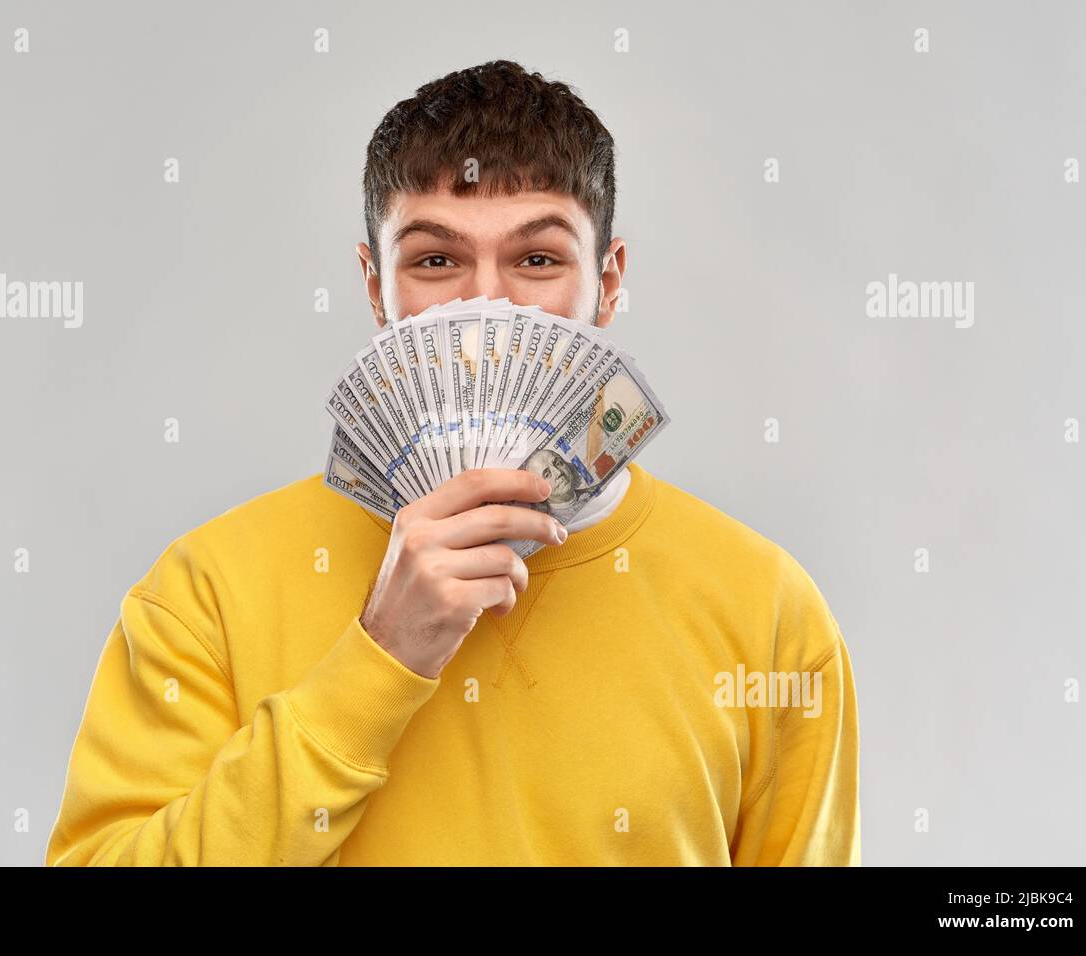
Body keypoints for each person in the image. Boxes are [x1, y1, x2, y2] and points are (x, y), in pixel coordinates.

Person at [45, 59, 860, 866]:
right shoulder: (206, 595)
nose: (485, 307)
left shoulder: (769, 614)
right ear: (375, 287)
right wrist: (380, 659)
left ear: (608, 283)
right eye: (435, 260)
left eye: (538, 259)